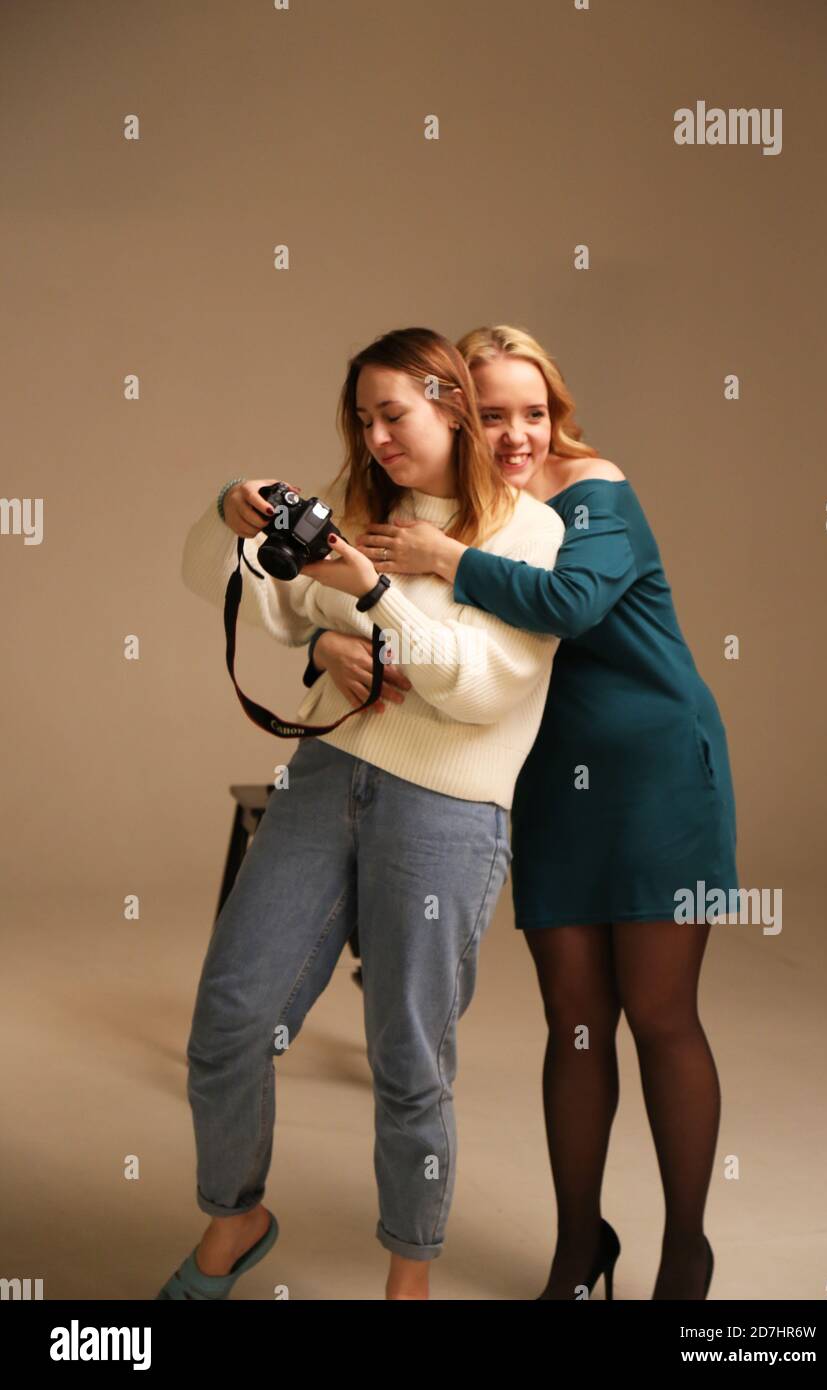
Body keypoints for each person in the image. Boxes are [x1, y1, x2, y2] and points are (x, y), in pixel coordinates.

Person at [303, 324, 738, 1300]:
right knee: (573, 1020)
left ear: (557, 413)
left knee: (660, 1014)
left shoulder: (592, 488)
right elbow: (356, 609)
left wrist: (445, 557)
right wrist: (321, 651)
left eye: (531, 411)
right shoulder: (446, 507)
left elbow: (573, 602)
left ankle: (684, 1254)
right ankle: (577, 1249)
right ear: (454, 410)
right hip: (543, 781)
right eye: (490, 412)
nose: (515, 433)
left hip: (656, 774)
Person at [159, 326, 566, 1301]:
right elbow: (230, 590)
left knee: (407, 1056)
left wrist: (373, 598)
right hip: (323, 772)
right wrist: (230, 517)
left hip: (445, 808)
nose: (376, 435)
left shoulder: (526, 533)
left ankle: (407, 1275)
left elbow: (479, 689)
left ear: (450, 404)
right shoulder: (354, 512)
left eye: (394, 413)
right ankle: (236, 1217)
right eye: (362, 418)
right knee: (230, 1018)